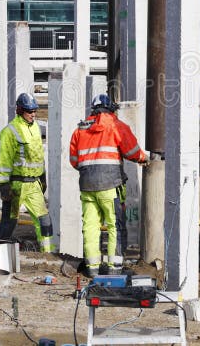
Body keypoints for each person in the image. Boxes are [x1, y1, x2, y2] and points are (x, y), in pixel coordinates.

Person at [69, 94, 148, 277]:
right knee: (115, 226)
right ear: (110, 109)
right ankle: (115, 268)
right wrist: (144, 158)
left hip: (87, 186)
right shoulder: (116, 126)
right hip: (110, 186)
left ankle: (93, 268)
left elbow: (74, 161)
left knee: (90, 227)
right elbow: (132, 151)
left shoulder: (79, 130)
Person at [0, 92, 54, 252]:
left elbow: (38, 154)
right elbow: (4, 160)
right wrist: (4, 185)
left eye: (35, 111)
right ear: (21, 111)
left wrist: (42, 175)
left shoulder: (35, 127)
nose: (33, 115)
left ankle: (47, 252)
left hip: (34, 183)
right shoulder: (10, 131)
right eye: (30, 112)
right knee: (9, 220)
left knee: (44, 220)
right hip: (17, 185)